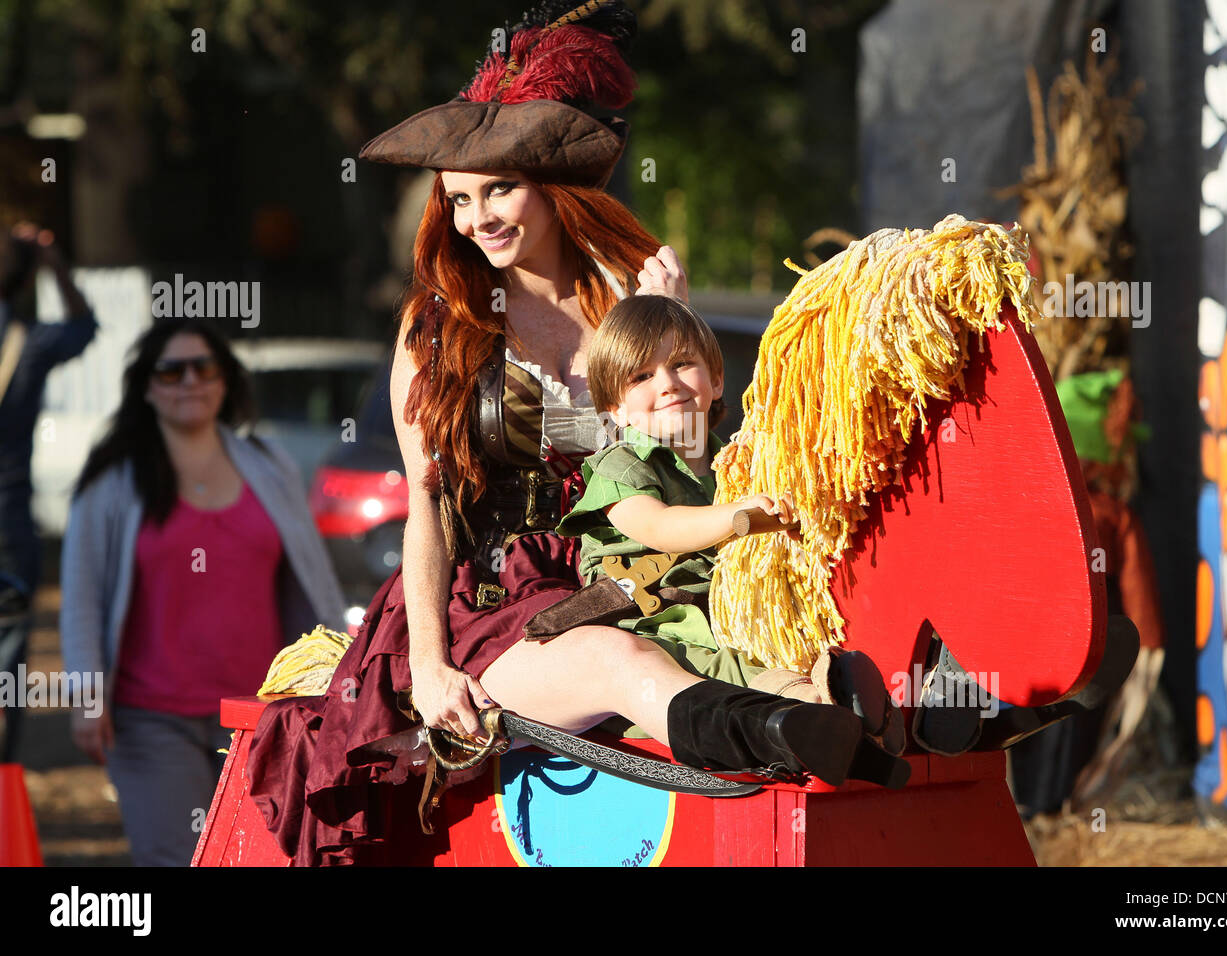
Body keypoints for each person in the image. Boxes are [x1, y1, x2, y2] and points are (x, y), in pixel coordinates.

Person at [246, 1, 879, 866]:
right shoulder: (437, 327)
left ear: (549, 185)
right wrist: (429, 670)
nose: (477, 219)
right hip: (488, 612)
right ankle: (788, 735)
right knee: (612, 660)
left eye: (498, 189)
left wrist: (675, 328)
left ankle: (861, 729)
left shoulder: (630, 291)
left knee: (758, 646)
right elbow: (426, 512)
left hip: (641, 575)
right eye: (459, 199)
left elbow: (683, 467)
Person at [549, 293, 903, 756]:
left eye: (681, 364)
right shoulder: (620, 465)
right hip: (655, 628)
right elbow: (659, 526)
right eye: (642, 376)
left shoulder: (734, 462)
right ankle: (812, 713)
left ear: (717, 380)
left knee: (808, 630)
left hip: (731, 620)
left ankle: (882, 710)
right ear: (615, 410)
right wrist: (740, 517)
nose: (668, 383)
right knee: (723, 671)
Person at [59, 317, 346, 866]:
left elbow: (313, 581)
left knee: (262, 857)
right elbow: (82, 596)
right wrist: (85, 697)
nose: (189, 381)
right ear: (147, 387)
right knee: (176, 857)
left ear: (224, 381)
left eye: (203, 367)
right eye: (171, 370)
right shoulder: (112, 480)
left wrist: (341, 678)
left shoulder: (270, 466)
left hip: (261, 716)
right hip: (150, 721)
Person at [0, 222, 97, 764]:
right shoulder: (29, 345)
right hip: (9, 525)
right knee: (7, 661)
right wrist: (52, 259)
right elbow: (84, 327)